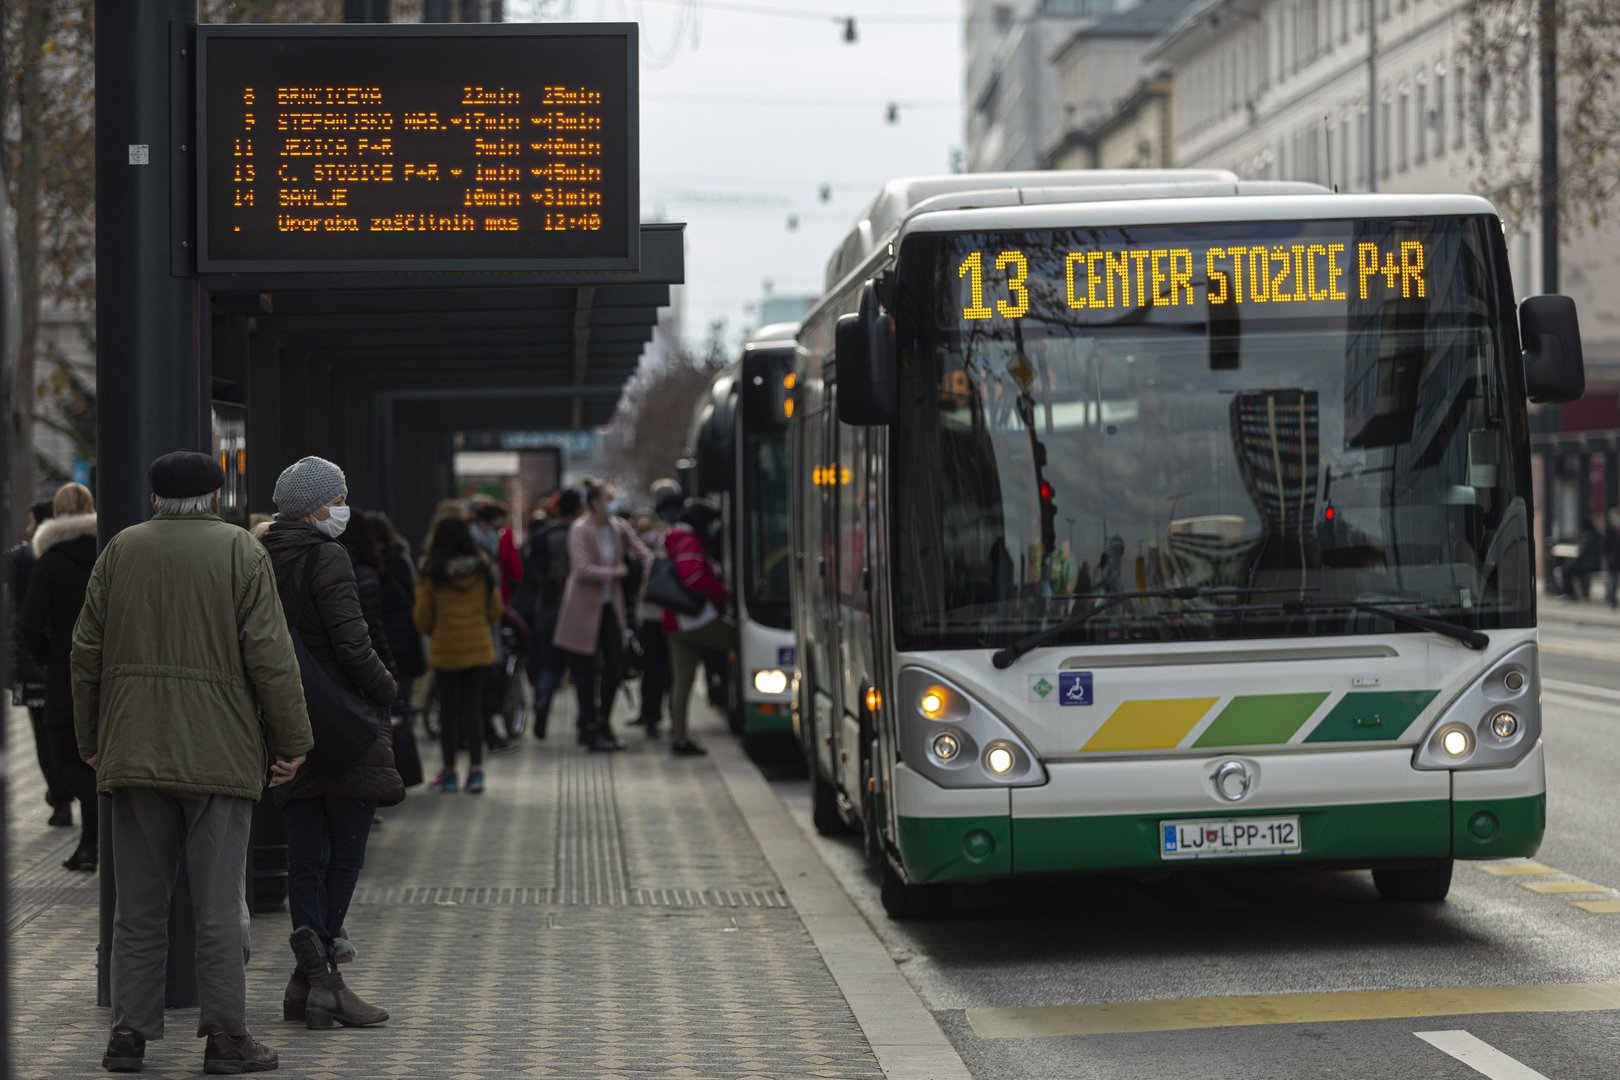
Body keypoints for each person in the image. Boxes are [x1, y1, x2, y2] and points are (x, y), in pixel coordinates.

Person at [73, 451, 312, 1075]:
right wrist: (292, 740)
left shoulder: (121, 550)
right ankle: (227, 1039)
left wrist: (91, 737)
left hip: (133, 748)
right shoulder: (240, 552)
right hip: (219, 752)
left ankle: (128, 1035)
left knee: (138, 905)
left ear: (155, 499)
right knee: (218, 905)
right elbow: (270, 655)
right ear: (214, 498)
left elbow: (84, 651)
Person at [259, 456, 401, 1032]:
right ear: (317, 506)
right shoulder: (327, 555)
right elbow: (352, 640)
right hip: (341, 721)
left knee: (304, 850)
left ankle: (307, 987)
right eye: (339, 496)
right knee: (343, 851)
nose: (344, 505)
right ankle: (325, 981)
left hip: (285, 720)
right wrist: (386, 689)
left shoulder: (261, 555)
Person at [21, 483, 100, 869]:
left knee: (65, 757)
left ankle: (94, 834)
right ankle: (93, 841)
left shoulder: (50, 562)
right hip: (109, 669)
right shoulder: (110, 551)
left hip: (64, 669)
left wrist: (44, 657)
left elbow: (32, 623)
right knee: (100, 755)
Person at [553, 483, 651, 752]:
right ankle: (588, 725)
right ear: (594, 502)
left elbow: (644, 554)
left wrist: (647, 578)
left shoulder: (618, 527)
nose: (612, 503)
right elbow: (582, 568)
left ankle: (603, 721)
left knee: (615, 667)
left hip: (611, 607)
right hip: (583, 609)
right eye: (608, 499)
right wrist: (616, 573)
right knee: (584, 671)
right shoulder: (581, 529)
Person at [414, 516, 504, 792]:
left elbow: (423, 617)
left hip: (447, 650)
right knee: (473, 710)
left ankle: (450, 773)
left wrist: (438, 629)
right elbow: (495, 609)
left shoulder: (432, 572)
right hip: (478, 648)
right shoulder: (482, 569)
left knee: (449, 713)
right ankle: (476, 772)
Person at [9, 498, 71, 825]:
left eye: (31, 522)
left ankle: (59, 800)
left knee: (44, 737)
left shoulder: (24, 557)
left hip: (35, 663)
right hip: (73, 664)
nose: (26, 529)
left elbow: (26, 618)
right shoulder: (88, 549)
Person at [663, 499, 736, 757]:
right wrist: (722, 593)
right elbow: (692, 576)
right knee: (743, 639)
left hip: (675, 621)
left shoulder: (673, 537)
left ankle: (679, 736)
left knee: (682, 682)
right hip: (696, 619)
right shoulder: (689, 542)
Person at [521, 488, 581, 739]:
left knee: (549, 664)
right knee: (582, 667)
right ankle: (584, 718)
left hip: (547, 609)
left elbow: (530, 576)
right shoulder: (582, 534)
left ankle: (543, 698)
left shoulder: (544, 535)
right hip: (578, 610)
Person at [368, 511, 426, 733]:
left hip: (378, 641)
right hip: (406, 639)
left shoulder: (367, 565)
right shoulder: (402, 558)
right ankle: (403, 746)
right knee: (402, 703)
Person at [630, 510, 673, 738]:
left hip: (659, 616)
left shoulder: (660, 550)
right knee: (655, 670)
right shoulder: (639, 553)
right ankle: (651, 716)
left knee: (657, 670)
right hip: (653, 617)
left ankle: (653, 716)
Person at [1604, 508, 1620, 609]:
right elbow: (1605, 546)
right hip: (1613, 560)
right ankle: (1611, 600)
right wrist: (1609, 557)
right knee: (1612, 581)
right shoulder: (1609, 531)